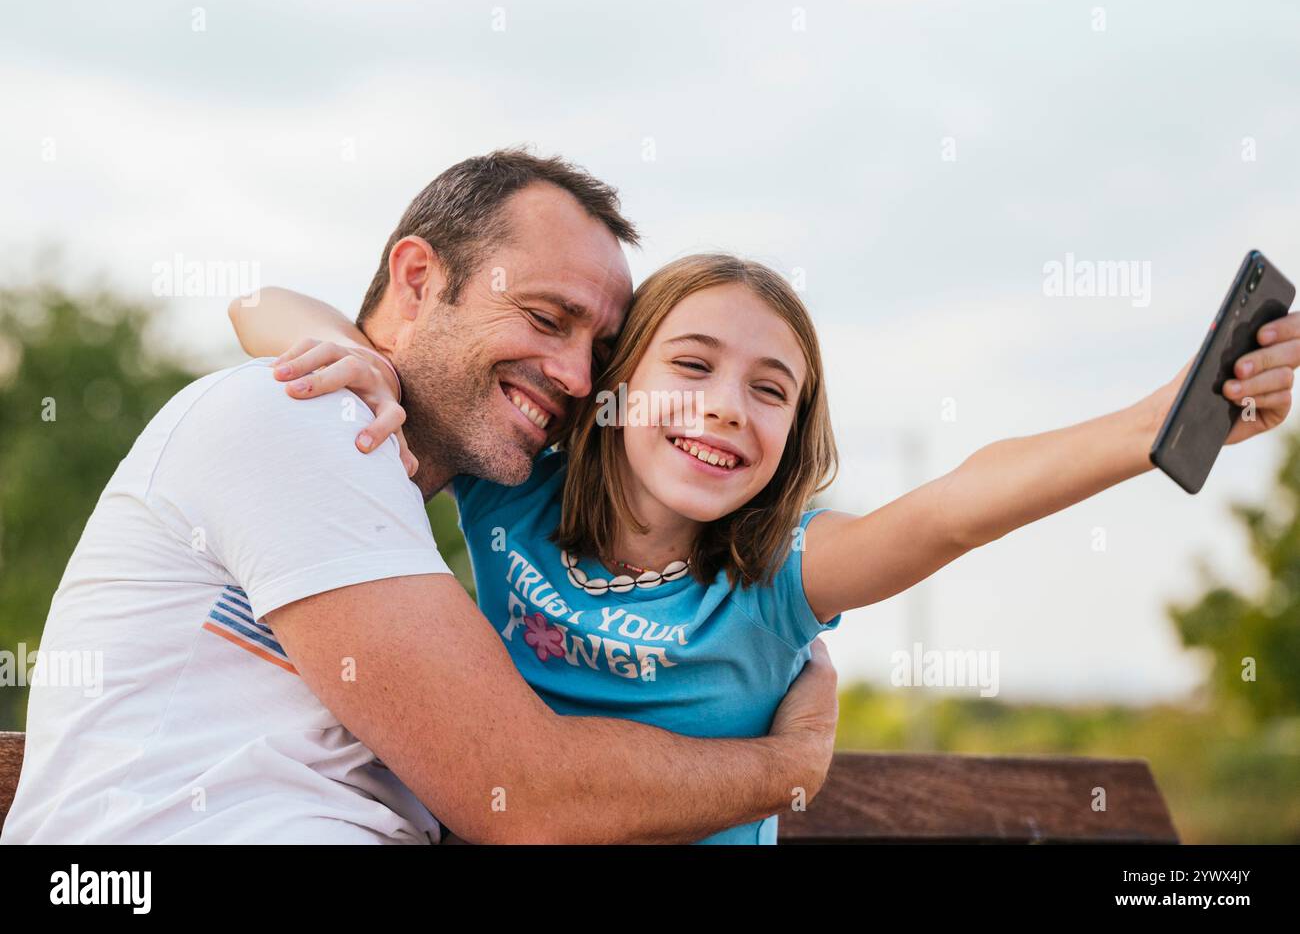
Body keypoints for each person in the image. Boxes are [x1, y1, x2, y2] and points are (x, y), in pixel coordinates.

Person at [239, 248, 1300, 844]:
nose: (724, 408)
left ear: (794, 430)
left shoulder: (779, 574)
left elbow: (957, 505)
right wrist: (354, 358)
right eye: (690, 365)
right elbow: (256, 303)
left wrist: (1162, 418)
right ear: (610, 387)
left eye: (768, 389)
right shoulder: (514, 489)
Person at [0, 149, 840, 845]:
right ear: (416, 279)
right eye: (549, 319)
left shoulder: (386, 476)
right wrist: (788, 769)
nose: (580, 378)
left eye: (602, 349)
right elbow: (522, 790)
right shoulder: (303, 417)